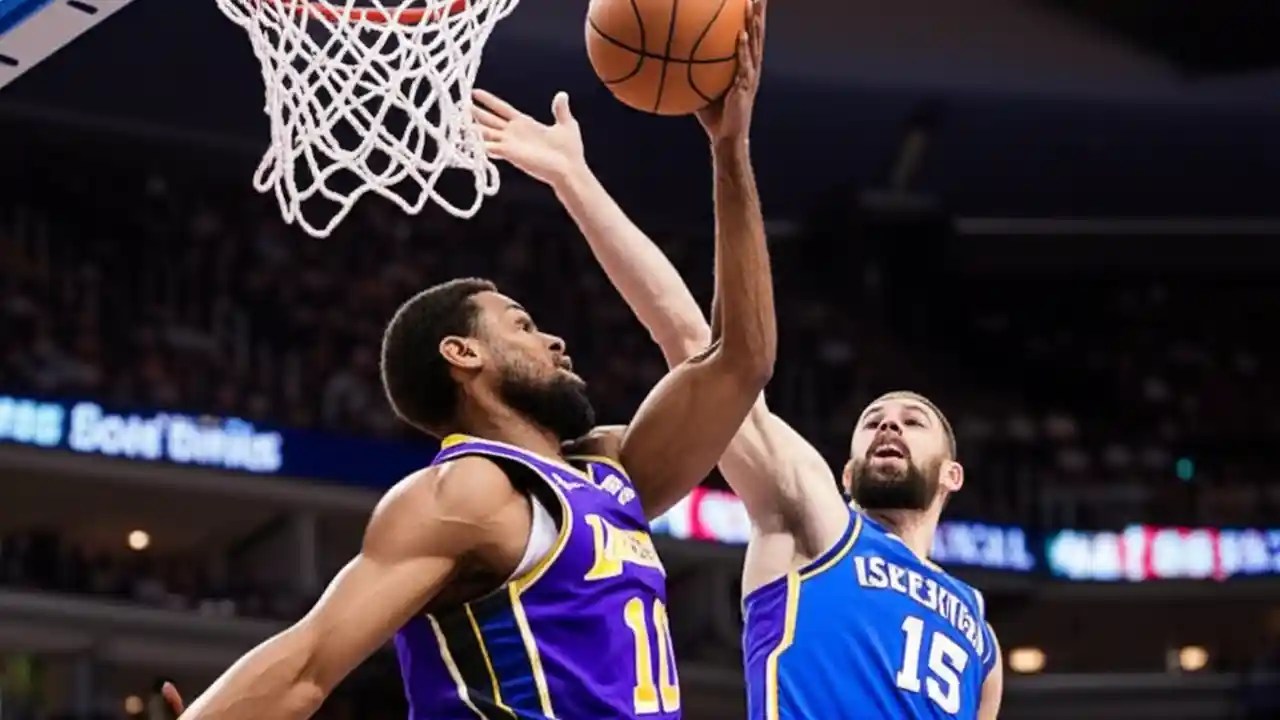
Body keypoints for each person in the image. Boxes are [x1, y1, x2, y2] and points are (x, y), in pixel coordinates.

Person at [161, 2, 773, 717]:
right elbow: (309, 661)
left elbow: (742, 362)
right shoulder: (464, 496)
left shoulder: (612, 472)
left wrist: (730, 155)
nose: (555, 341)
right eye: (522, 324)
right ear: (462, 354)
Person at [476, 32, 1003, 720]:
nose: (888, 427)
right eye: (873, 420)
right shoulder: (813, 514)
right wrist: (579, 180)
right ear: (845, 472)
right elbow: (697, 345)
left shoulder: (981, 635)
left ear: (952, 474)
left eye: (912, 420)